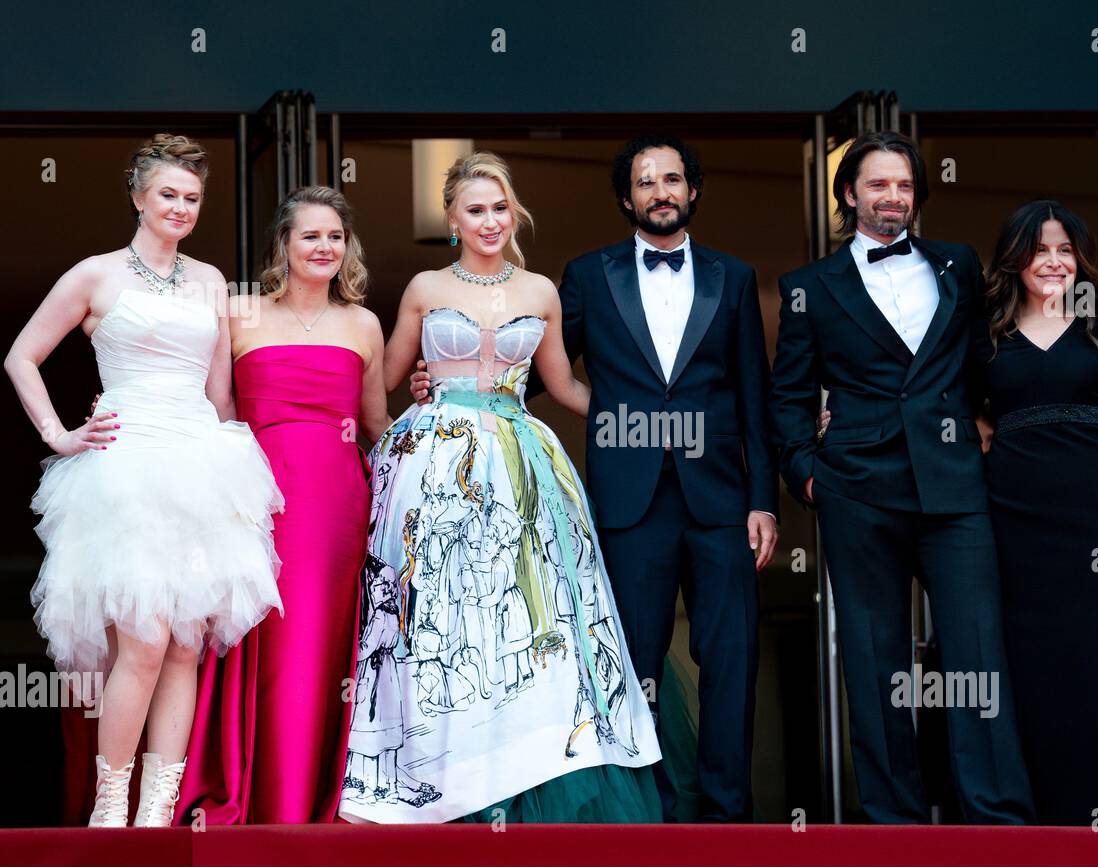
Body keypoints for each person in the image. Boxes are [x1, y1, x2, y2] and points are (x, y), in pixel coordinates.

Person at [412, 134, 780, 822]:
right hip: (627, 500)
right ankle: (655, 813)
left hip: (721, 497)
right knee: (632, 661)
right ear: (626, 197)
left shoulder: (734, 278)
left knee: (731, 659)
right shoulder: (585, 276)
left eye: (672, 180)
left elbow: (755, 401)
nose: (660, 192)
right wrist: (454, 377)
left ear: (692, 191)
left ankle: (729, 817)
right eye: (646, 182)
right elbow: (539, 369)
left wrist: (764, 500)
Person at [340, 151, 661, 823]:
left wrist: (649, 418)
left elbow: (565, 385)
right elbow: (385, 375)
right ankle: (441, 778)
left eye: (500, 208)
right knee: (446, 615)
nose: (490, 221)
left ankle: (528, 777)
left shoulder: (541, 291)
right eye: (476, 210)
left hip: (522, 462)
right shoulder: (426, 287)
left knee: (525, 615)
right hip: (436, 466)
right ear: (453, 219)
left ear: (514, 214)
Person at [3, 134, 283, 827]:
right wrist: (57, 435)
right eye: (168, 194)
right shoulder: (94, 275)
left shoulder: (212, 281)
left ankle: (157, 812)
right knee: (147, 637)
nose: (181, 207)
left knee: (187, 641)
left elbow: (219, 392)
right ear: (138, 196)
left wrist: (236, 477)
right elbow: (21, 356)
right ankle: (110, 803)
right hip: (126, 465)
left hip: (197, 458)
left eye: (192, 198)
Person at [769, 130, 1036, 824]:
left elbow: (987, 361)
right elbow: (789, 394)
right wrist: (806, 476)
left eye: (906, 186)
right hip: (856, 488)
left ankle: (996, 816)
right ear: (850, 194)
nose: (894, 197)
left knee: (978, 652)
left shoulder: (959, 265)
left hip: (954, 486)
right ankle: (895, 823)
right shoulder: (809, 287)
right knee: (873, 654)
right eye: (879, 184)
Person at [175, 186, 390, 824]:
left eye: (335, 237)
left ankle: (309, 797)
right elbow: (219, 412)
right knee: (257, 633)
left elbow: (377, 426)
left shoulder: (364, 324)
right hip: (257, 496)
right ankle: (254, 792)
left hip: (336, 504)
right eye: (310, 236)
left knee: (318, 641)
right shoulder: (238, 312)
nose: (324, 247)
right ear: (283, 245)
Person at [968, 200, 1098, 825]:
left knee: (1096, 682)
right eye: (1040, 249)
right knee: (1029, 680)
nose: (1054, 262)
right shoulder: (985, 331)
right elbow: (953, 407)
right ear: (1015, 259)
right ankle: (1036, 838)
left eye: (1065, 250)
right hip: (1014, 522)